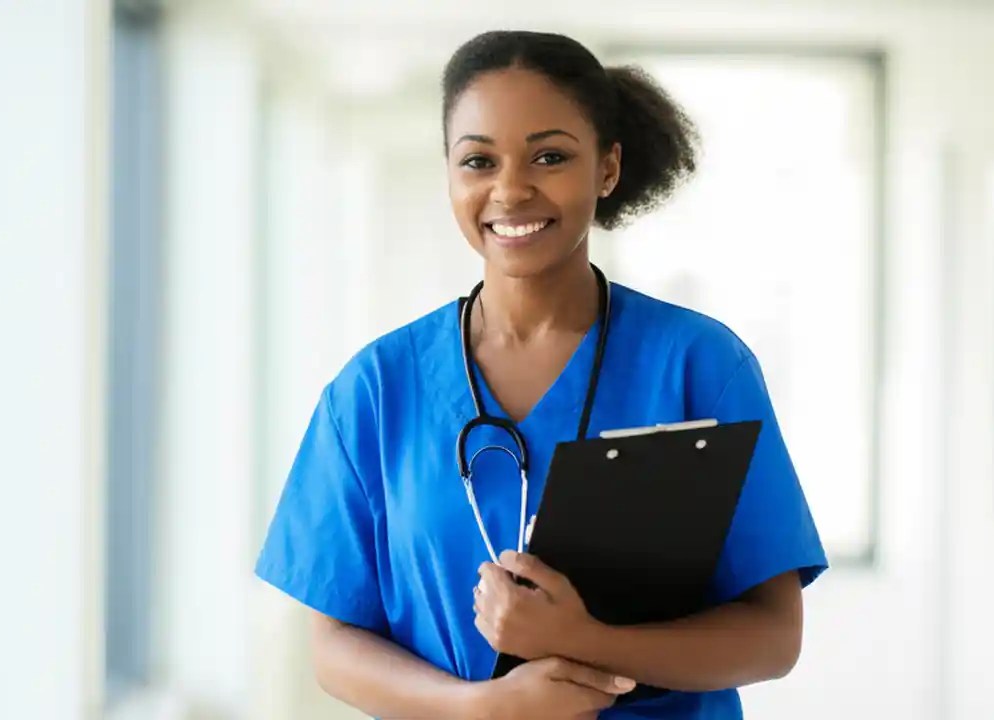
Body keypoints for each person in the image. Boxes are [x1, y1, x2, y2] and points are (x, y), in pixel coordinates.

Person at [254, 29, 827, 720]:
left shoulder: (700, 366)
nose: (511, 189)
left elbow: (772, 635)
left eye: (550, 156)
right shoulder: (375, 391)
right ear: (449, 173)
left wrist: (584, 640)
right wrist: (483, 709)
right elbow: (334, 643)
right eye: (478, 161)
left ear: (607, 168)